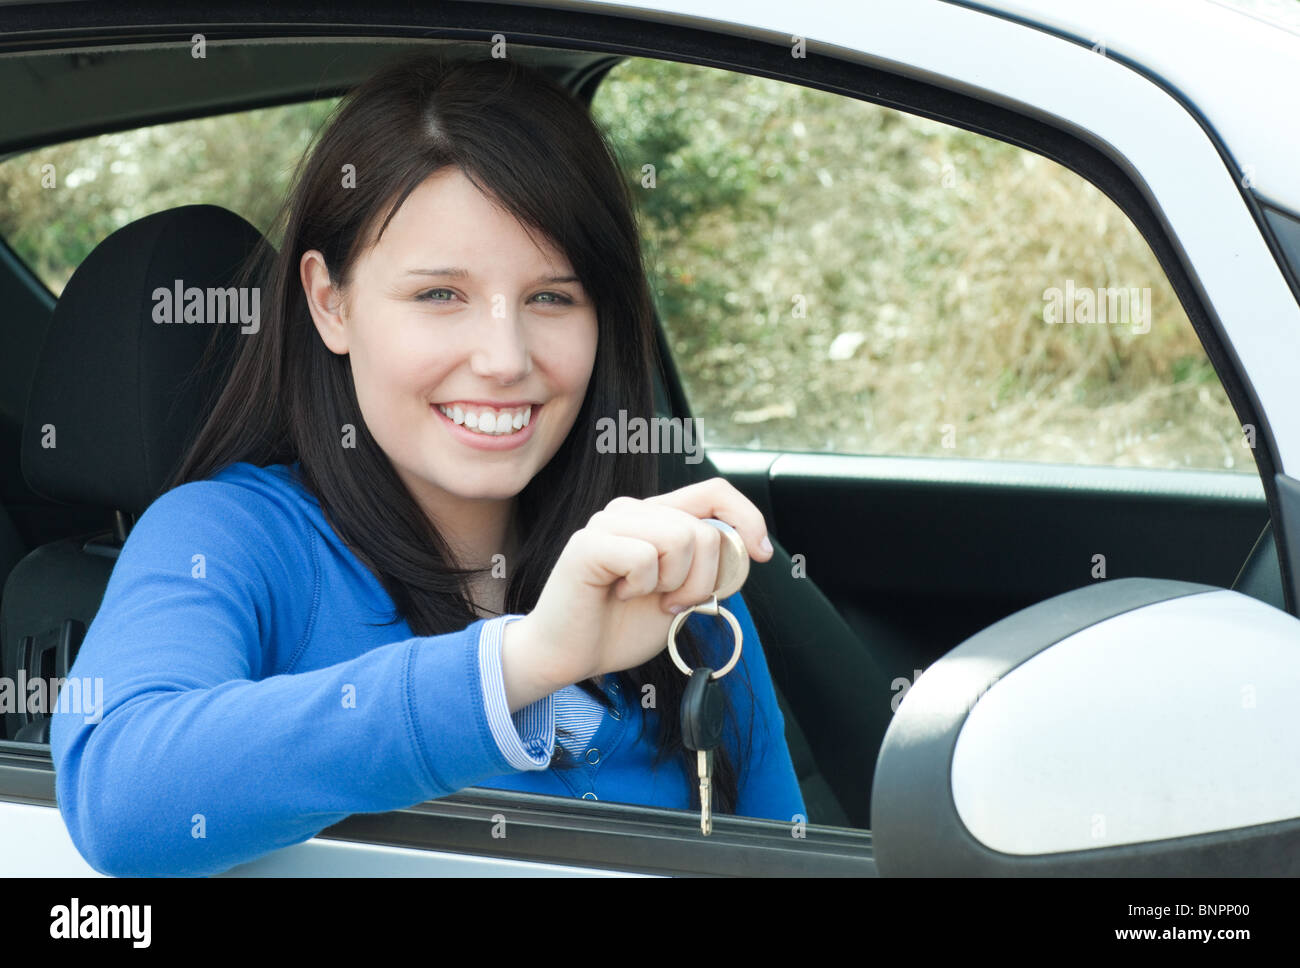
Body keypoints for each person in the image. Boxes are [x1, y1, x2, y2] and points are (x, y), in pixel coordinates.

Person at [49, 51, 805, 877]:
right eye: (439, 295)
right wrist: (528, 661)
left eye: (552, 297)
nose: (504, 357)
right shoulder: (227, 537)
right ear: (329, 302)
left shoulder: (669, 574)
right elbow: (123, 797)